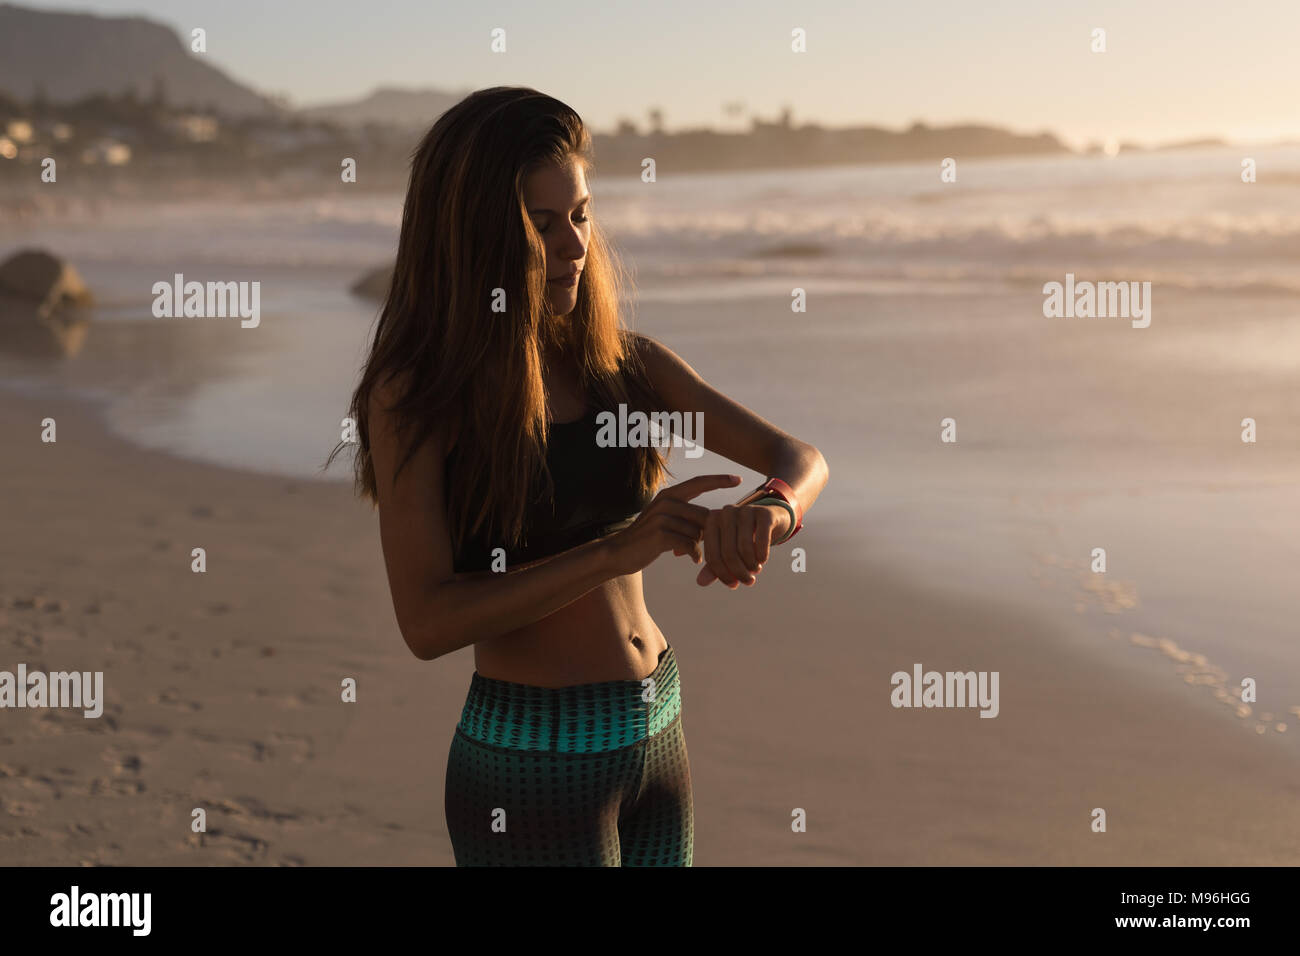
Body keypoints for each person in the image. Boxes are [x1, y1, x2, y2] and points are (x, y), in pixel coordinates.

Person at [329, 87, 828, 866]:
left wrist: (770, 510)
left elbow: (800, 460)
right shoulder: (419, 396)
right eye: (542, 222)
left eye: (582, 215)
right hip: (530, 767)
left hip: (658, 730)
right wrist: (611, 553)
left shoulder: (621, 366)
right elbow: (425, 624)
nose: (574, 244)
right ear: (475, 234)